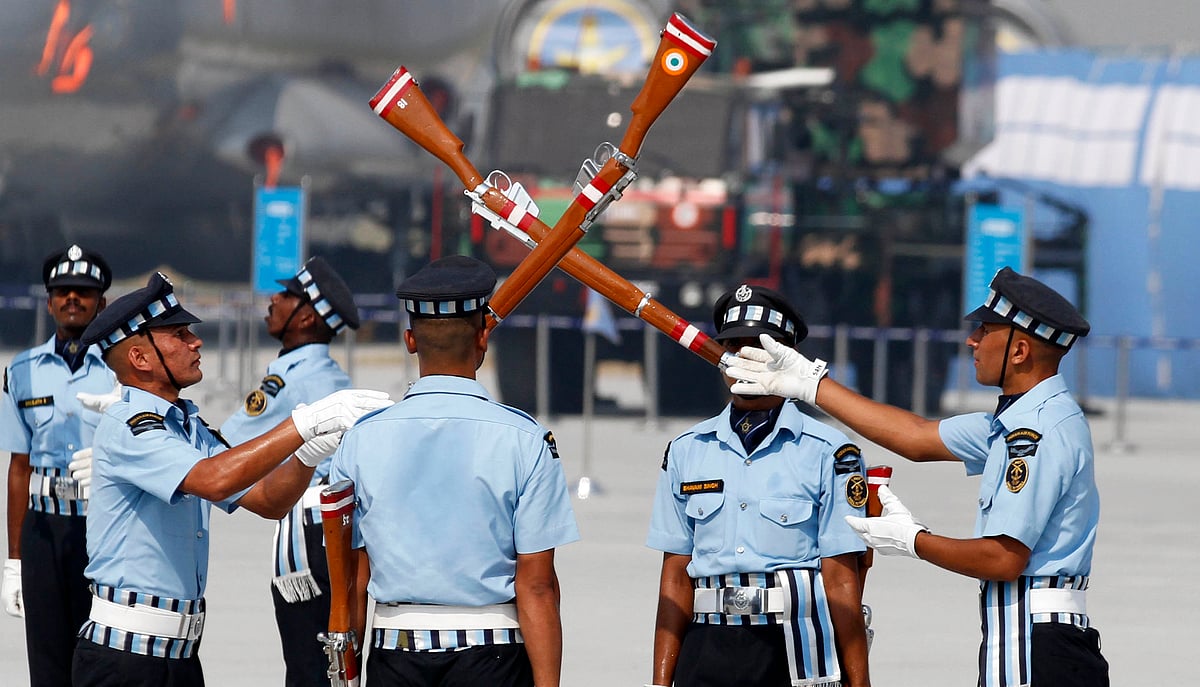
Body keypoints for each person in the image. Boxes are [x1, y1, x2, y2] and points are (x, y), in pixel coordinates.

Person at [725, 266, 1108, 687]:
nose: (971, 340)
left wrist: (912, 540)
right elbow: (915, 438)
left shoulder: (1035, 433)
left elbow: (1003, 559)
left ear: (1019, 352)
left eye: (984, 330)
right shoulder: (1017, 421)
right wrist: (809, 386)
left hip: (1035, 638)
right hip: (1027, 629)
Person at [69, 271, 391, 687]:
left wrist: (306, 456)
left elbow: (268, 500)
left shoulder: (187, 427)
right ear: (140, 359)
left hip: (179, 657)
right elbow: (214, 480)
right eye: (180, 335)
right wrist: (304, 423)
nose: (196, 342)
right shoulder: (132, 423)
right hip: (125, 657)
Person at [327, 255, 579, 687]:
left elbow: (353, 578)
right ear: (483, 337)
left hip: (394, 650)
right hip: (492, 651)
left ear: (410, 339)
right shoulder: (525, 439)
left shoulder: (361, 439)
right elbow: (536, 586)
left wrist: (346, 676)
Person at [645, 284, 871, 687]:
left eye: (759, 348)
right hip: (707, 640)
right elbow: (675, 575)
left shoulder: (831, 453)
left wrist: (859, 681)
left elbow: (841, 579)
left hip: (795, 646)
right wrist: (661, 681)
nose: (744, 359)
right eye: (734, 347)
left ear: (786, 358)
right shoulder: (686, 450)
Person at [219, 256, 361, 687]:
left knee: (306, 664)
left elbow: (224, 446)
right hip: (344, 528)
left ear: (307, 316)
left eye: (285, 295)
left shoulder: (285, 380)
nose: (273, 301)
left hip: (309, 535)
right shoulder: (334, 376)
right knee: (338, 664)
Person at [0, 245, 117, 687]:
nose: (73, 299)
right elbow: (18, 467)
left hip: (102, 528)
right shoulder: (23, 370)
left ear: (101, 303)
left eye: (84, 292)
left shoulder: (121, 369)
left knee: (99, 657)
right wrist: (14, 560)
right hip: (43, 532)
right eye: (63, 291)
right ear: (49, 302)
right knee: (47, 660)